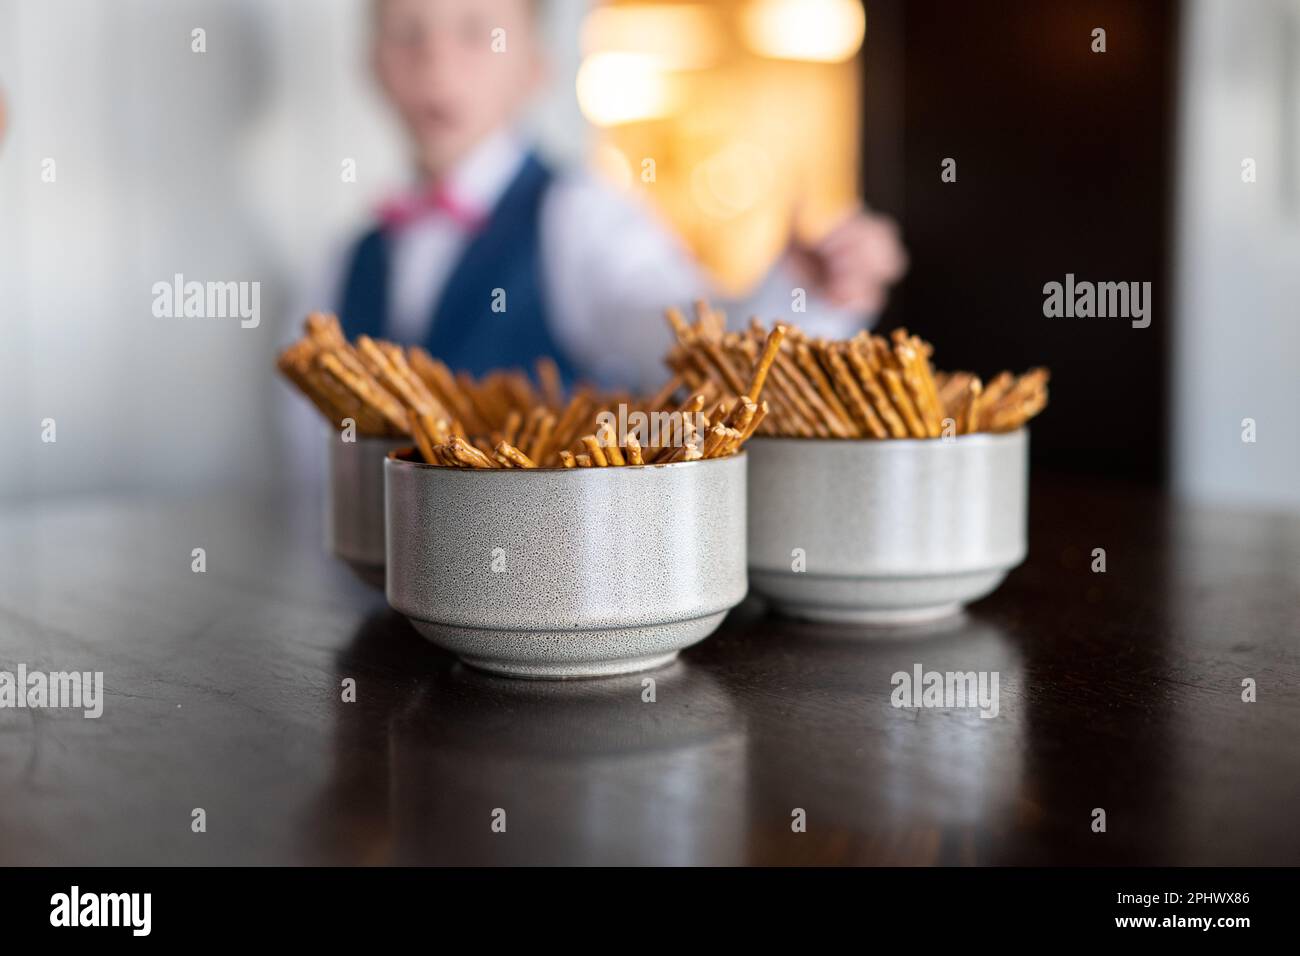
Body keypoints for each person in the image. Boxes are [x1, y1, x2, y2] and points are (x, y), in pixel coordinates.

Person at [319, 0, 907, 393]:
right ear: (372, 64)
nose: (437, 63)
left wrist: (798, 295)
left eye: (476, 32)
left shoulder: (579, 214)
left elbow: (681, 335)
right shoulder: (350, 257)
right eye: (406, 33)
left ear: (536, 67)